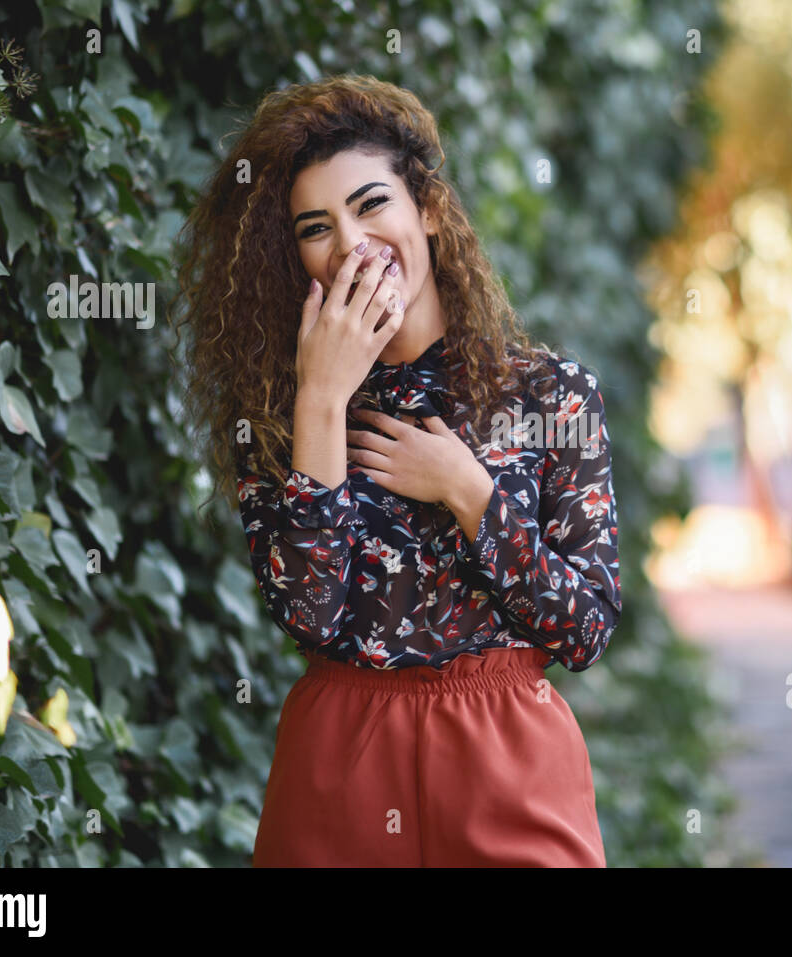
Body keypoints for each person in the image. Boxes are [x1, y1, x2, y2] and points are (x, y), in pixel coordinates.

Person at [172, 73, 621, 866]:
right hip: (342, 755)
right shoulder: (282, 411)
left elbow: (585, 627)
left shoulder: (552, 394)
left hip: (509, 752)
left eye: (371, 203)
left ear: (431, 211)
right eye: (317, 227)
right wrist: (320, 398)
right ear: (298, 260)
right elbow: (308, 614)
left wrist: (466, 488)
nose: (350, 242)